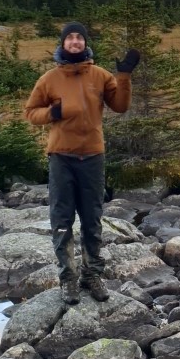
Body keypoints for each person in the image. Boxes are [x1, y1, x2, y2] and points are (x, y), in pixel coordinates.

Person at [22, 22, 140, 304]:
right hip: (61, 157)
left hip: (92, 157)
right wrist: (53, 112)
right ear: (63, 44)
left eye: (79, 38)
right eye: (70, 38)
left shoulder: (99, 76)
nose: (74, 41)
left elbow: (121, 106)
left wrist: (123, 75)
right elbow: (30, 113)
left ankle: (92, 276)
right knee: (62, 220)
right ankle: (68, 280)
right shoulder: (49, 79)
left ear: (85, 43)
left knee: (92, 219)